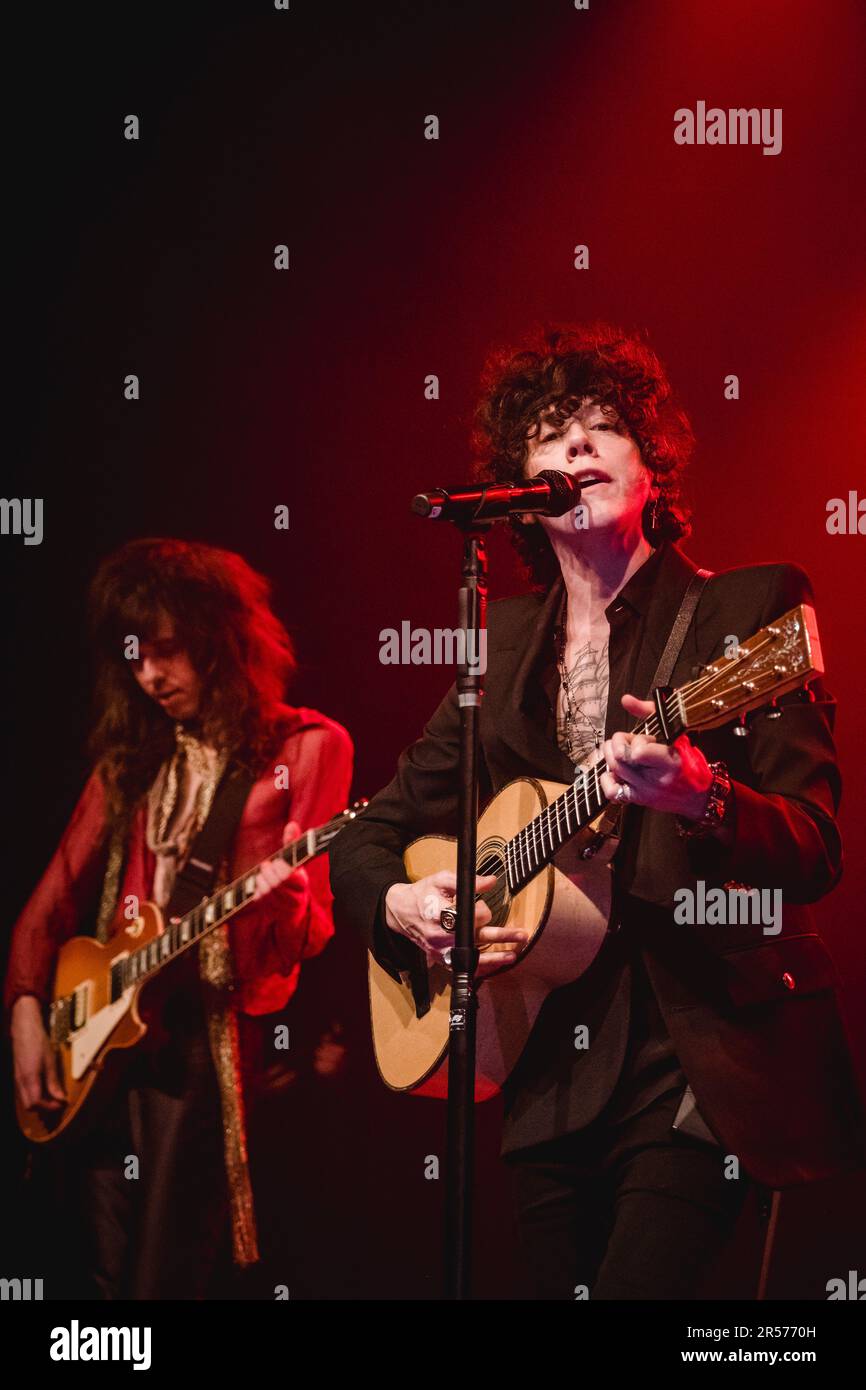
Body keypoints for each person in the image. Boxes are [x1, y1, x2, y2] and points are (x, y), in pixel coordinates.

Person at [329, 323, 866, 1300]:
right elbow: (368, 835)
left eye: (600, 427)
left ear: (650, 465)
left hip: (699, 1060)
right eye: (548, 434)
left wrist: (703, 796)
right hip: (543, 1073)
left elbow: (814, 845)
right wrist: (402, 908)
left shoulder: (746, 613)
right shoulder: (498, 649)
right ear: (520, 490)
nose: (575, 448)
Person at [5, 537, 353, 1299]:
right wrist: (26, 1012)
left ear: (220, 643)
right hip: (105, 1040)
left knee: (161, 1273)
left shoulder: (308, 746)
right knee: (87, 1272)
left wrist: (287, 893)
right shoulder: (135, 753)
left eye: (165, 652)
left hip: (210, 1038)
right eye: (133, 658)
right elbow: (52, 896)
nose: (148, 677)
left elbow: (313, 932)